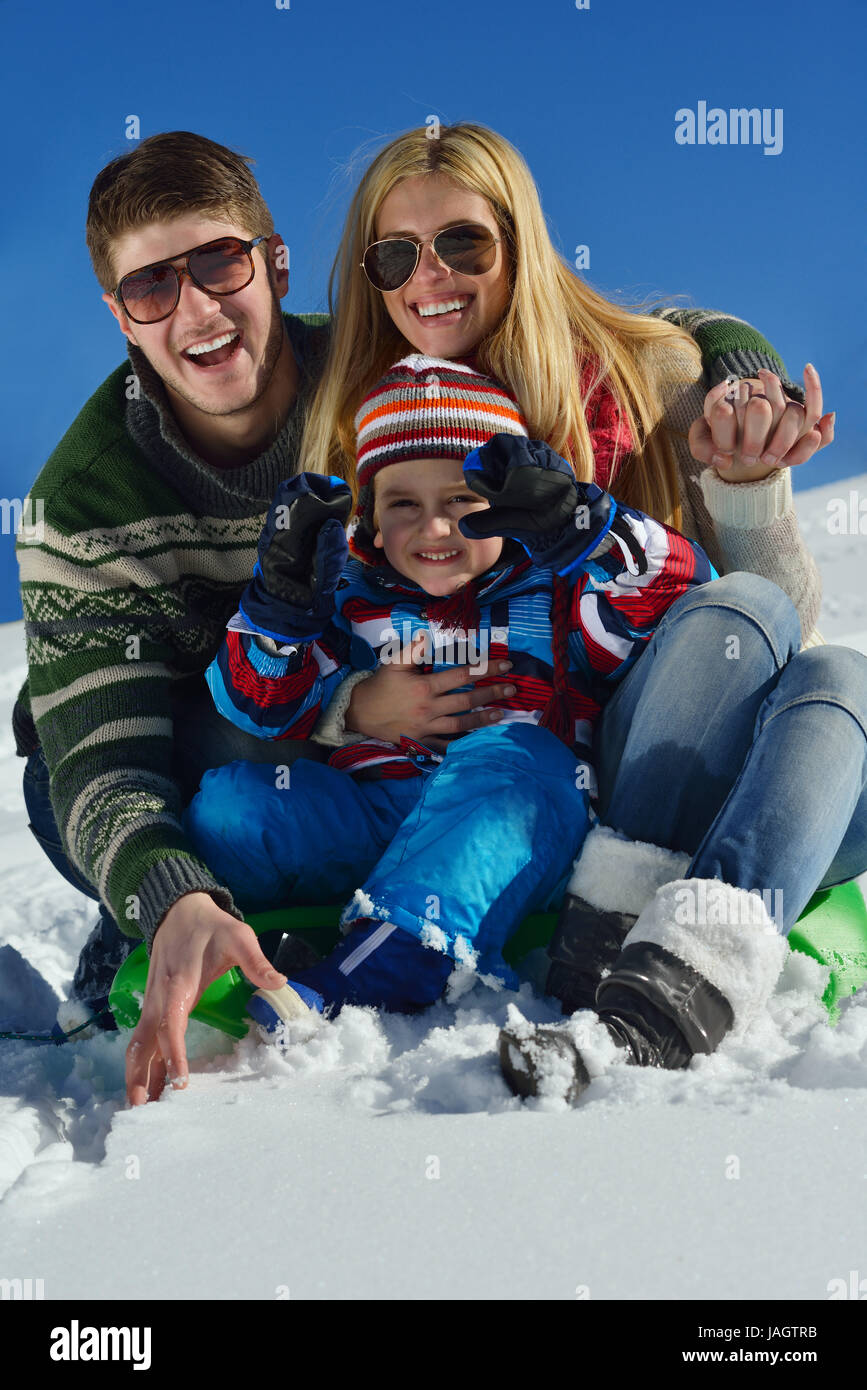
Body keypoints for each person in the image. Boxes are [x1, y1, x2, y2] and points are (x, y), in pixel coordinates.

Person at [11, 123, 833, 1106]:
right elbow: (163, 732)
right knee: (206, 779)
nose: (195, 307)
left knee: (525, 763)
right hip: (284, 764)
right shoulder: (150, 509)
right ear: (120, 312)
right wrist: (308, 671)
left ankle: (400, 945)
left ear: (273, 266)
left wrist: (594, 515)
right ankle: (175, 914)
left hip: (518, 778)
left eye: (220, 265)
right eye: (153, 286)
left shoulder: (515, 544)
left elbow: (671, 512)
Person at [280, 119, 866, 1098]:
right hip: (556, 789)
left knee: (835, 674)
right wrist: (349, 705)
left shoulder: (637, 385)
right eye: (396, 254)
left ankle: (667, 951)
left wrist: (749, 483)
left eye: (464, 242)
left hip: (680, 731)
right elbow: (315, 628)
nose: (431, 276)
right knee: (771, 632)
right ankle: (628, 942)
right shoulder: (366, 423)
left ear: (521, 244)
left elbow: (779, 628)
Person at [182, 355, 715, 1019]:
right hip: (377, 817)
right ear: (370, 517)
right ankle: (275, 935)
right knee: (231, 806)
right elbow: (262, 707)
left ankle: (392, 964)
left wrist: (588, 530)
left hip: (515, 828)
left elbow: (679, 596)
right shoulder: (349, 597)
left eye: (463, 503)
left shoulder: (556, 592)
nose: (434, 529)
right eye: (403, 504)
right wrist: (280, 614)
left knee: (517, 754)